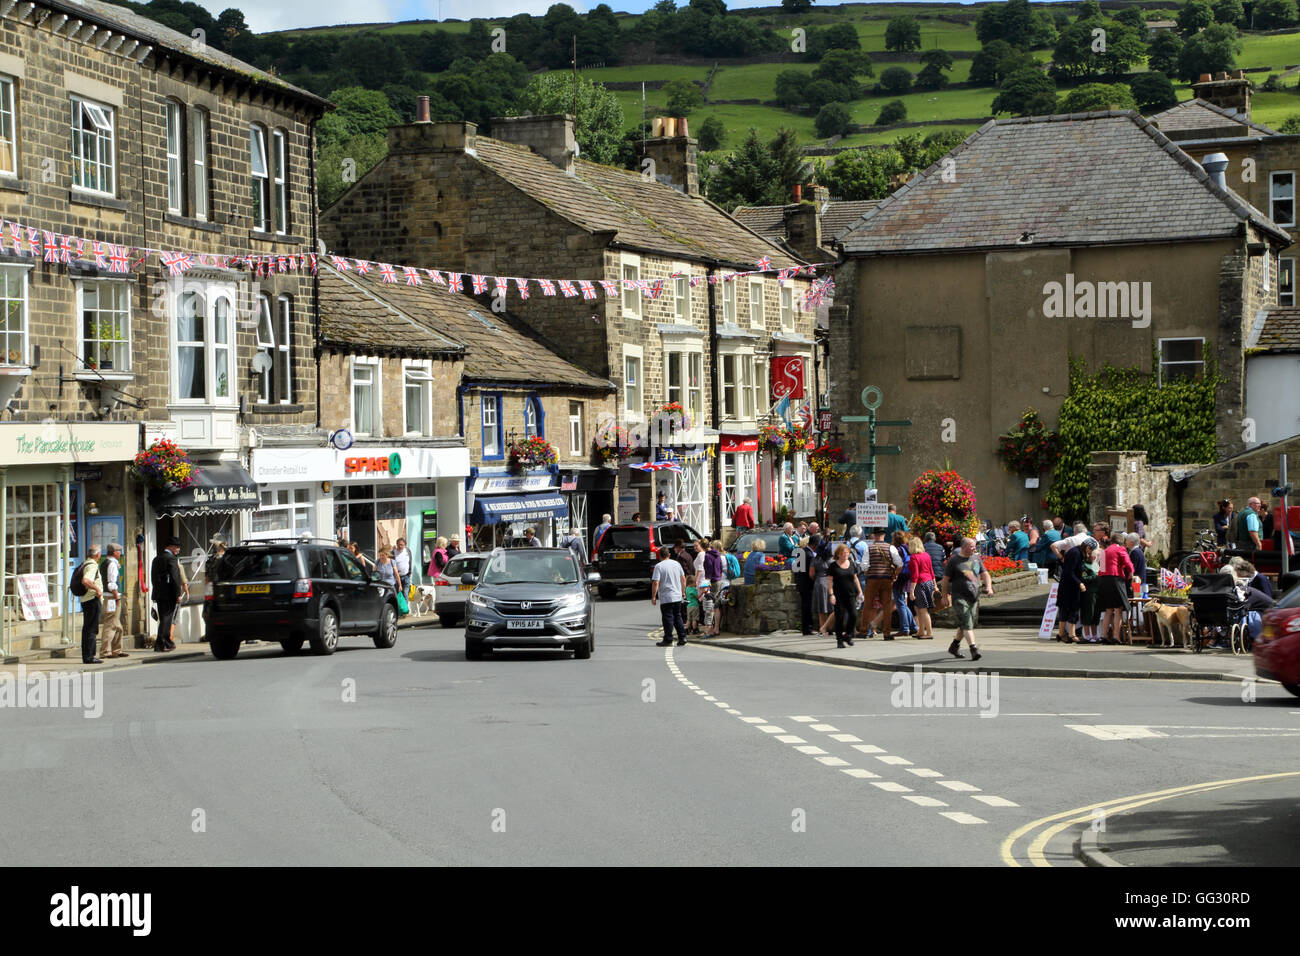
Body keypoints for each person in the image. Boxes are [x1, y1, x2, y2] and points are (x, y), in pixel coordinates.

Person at [940, 537, 992, 661]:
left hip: (973, 597)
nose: (974, 548)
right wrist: (944, 596)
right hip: (959, 597)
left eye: (975, 546)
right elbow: (945, 580)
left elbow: (985, 574)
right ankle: (973, 649)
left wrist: (989, 587)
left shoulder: (976, 559)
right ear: (964, 547)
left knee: (965, 623)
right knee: (967, 624)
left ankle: (954, 646)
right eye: (972, 546)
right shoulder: (954, 561)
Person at [860, 528, 901, 640]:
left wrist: (868, 573)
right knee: (887, 606)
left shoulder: (870, 548)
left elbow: (864, 566)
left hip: (872, 579)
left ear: (874, 535)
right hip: (887, 579)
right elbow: (899, 564)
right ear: (884, 535)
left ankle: (864, 631)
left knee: (868, 605)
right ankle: (887, 633)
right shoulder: (891, 547)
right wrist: (894, 575)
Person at [1056, 537, 1096, 644]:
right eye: (1091, 550)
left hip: (1067, 585)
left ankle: (1062, 633)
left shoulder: (1076, 551)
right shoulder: (1076, 553)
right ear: (1088, 547)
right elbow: (1070, 571)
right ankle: (1071, 634)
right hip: (1071, 586)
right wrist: (1080, 583)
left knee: (1065, 609)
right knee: (1072, 609)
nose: (1090, 552)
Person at [151, 536, 185, 653]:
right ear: (170, 547)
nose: (178, 550)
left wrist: (157, 590)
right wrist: (178, 594)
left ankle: (162, 644)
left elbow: (153, 578)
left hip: (159, 593)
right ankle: (163, 643)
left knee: (163, 618)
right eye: (176, 547)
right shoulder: (171, 559)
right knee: (166, 619)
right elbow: (175, 578)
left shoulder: (156, 558)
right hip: (169, 594)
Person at [1098, 534, 1134, 644]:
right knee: (1118, 609)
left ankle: (1104, 635)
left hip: (1103, 579)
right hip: (1115, 578)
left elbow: (1101, 566)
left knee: (1108, 609)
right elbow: (1128, 563)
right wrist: (1131, 572)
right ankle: (1116, 636)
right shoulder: (1120, 549)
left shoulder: (1105, 550)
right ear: (1122, 542)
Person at [828, 543, 865, 649]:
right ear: (838, 554)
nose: (845, 555)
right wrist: (831, 595)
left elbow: (855, 578)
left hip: (850, 594)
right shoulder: (833, 566)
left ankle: (848, 635)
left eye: (847, 553)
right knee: (839, 617)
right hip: (838, 595)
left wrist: (860, 591)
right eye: (843, 553)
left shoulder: (851, 564)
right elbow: (829, 582)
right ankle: (839, 639)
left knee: (853, 615)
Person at [651, 550, 688, 646]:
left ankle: (668, 639)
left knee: (668, 619)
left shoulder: (659, 566)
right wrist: (683, 592)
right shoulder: (676, 564)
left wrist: (653, 596)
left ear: (659, 556)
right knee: (677, 617)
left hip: (666, 597)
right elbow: (683, 579)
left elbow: (656, 582)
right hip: (677, 596)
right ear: (669, 555)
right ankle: (682, 637)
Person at [98, 542, 128, 660]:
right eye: (118, 551)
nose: (120, 553)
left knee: (118, 625)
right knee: (110, 624)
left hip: (109, 596)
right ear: (114, 552)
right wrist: (117, 597)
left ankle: (117, 650)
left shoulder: (105, 562)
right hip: (112, 597)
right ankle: (105, 651)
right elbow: (111, 583)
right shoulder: (112, 564)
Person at [76, 545, 104, 664]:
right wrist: (97, 589)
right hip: (92, 600)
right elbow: (86, 581)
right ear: (97, 555)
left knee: (87, 629)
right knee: (92, 629)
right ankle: (89, 657)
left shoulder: (85, 563)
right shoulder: (92, 565)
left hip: (86, 599)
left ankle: (87, 656)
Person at [906, 537, 936, 640]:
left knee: (923, 610)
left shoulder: (914, 557)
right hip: (928, 582)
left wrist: (911, 591)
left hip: (920, 584)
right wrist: (935, 585)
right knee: (918, 608)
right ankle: (921, 631)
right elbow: (931, 571)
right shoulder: (926, 555)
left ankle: (929, 633)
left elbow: (915, 575)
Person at [891, 530, 917, 637]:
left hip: (899, 577)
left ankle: (904, 628)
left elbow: (897, 564)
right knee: (903, 602)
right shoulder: (907, 548)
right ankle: (913, 627)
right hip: (907, 576)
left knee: (900, 603)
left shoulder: (898, 550)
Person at [808, 534, 834, 635]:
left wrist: (818, 578)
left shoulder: (815, 559)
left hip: (819, 582)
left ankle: (822, 629)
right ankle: (830, 628)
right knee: (832, 608)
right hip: (831, 583)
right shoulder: (832, 560)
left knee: (821, 609)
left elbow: (811, 574)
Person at [791, 533, 814, 635]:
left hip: (800, 583)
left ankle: (806, 628)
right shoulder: (808, 554)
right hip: (807, 584)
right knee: (807, 607)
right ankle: (807, 628)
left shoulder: (800, 553)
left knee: (804, 606)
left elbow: (795, 568)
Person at [704, 541, 726, 635]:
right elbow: (720, 568)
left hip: (712, 582)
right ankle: (716, 628)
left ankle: (712, 629)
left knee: (711, 606)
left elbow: (708, 571)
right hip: (719, 580)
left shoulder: (708, 556)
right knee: (717, 606)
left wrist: (706, 585)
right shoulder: (717, 555)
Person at [1126, 532, 1147, 599]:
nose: (1126, 542)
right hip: (1140, 580)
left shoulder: (1134, 552)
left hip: (1136, 581)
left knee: (1136, 598)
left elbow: (1132, 568)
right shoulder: (1139, 551)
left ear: (1132, 542)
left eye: (1127, 540)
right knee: (1138, 598)